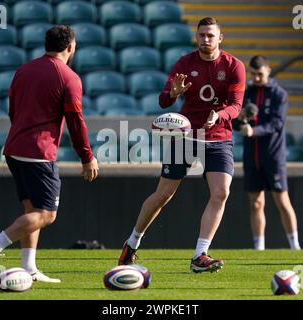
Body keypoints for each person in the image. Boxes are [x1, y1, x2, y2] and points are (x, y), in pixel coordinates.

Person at [118, 17, 246, 273]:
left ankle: (200, 255)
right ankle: (132, 243)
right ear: (196, 37)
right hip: (185, 136)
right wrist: (174, 93)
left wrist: (218, 116)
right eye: (202, 35)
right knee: (164, 194)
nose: (206, 39)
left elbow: (236, 105)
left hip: (219, 136)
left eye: (211, 35)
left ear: (220, 38)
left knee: (221, 192)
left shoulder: (234, 66)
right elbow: (164, 101)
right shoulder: (185, 63)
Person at [0, 25, 99, 282]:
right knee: (46, 214)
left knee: (30, 210)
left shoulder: (24, 70)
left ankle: (28, 268)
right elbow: (76, 122)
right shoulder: (69, 77)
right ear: (70, 47)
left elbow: (12, 109)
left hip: (14, 148)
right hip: (39, 152)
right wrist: (87, 157)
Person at [239, 55, 301, 250]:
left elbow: (277, 123)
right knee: (255, 203)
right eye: (253, 74)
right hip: (251, 156)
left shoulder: (278, 94)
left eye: (259, 74)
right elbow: (235, 121)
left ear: (268, 71)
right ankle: (259, 248)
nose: (256, 78)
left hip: (273, 156)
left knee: (282, 201)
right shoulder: (246, 93)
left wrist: (253, 131)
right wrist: (239, 120)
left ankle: (295, 246)